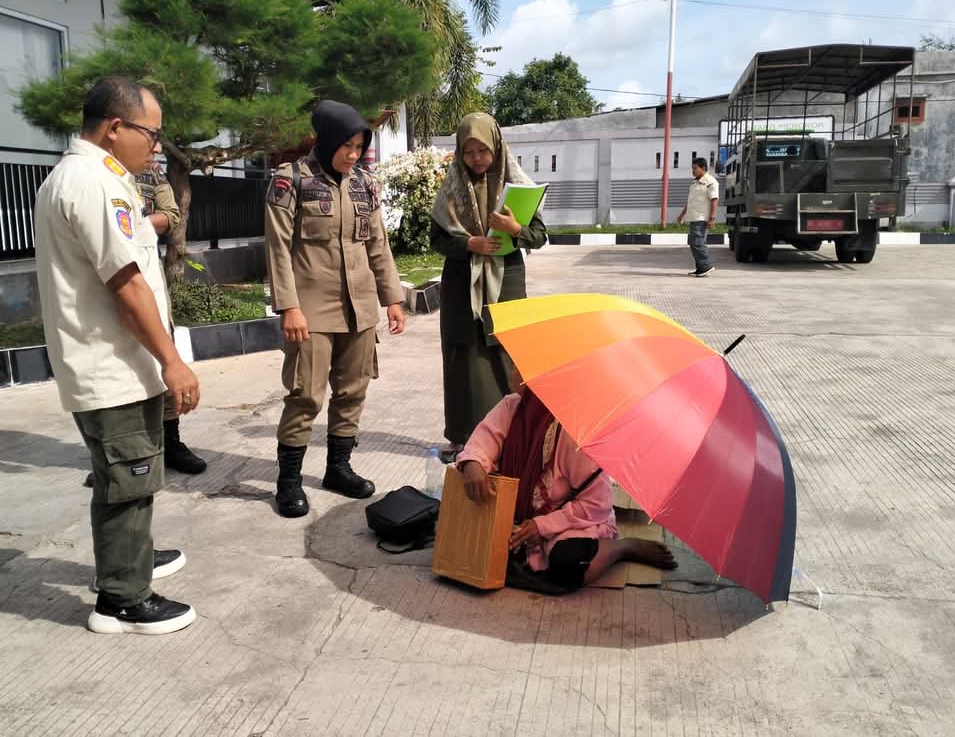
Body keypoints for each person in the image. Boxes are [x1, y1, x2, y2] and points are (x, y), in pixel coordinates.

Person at [34, 76, 198, 635]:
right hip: (109, 367)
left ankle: (128, 560)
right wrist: (172, 360)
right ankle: (122, 601)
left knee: (130, 475)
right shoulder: (90, 183)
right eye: (151, 134)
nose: (157, 146)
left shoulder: (100, 178)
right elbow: (126, 284)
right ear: (115, 128)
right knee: (128, 478)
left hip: (123, 364)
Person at [264, 100, 406, 518]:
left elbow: (378, 246)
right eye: (346, 146)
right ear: (326, 142)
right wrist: (289, 307)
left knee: (353, 391)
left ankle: (337, 469)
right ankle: (288, 482)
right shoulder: (290, 182)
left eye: (360, 146)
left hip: (359, 307)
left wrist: (392, 298)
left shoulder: (364, 184)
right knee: (306, 395)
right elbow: (278, 250)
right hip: (311, 310)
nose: (354, 154)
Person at [457, 370, 677, 592]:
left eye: (521, 367)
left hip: (570, 524)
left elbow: (595, 506)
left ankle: (623, 548)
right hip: (515, 520)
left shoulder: (575, 432)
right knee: (466, 544)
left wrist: (541, 526)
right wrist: (473, 464)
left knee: (567, 562)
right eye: (514, 364)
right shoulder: (511, 406)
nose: (513, 371)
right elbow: (481, 442)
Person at [430, 112, 547, 459]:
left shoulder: (518, 187)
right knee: (463, 356)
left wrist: (514, 230)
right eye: (469, 151)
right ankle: (463, 435)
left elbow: (539, 236)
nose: (477, 158)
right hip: (461, 283)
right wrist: (469, 244)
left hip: (507, 280)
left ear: (497, 147)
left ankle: (509, 436)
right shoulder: (450, 190)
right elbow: (436, 239)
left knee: (506, 356)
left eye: (483, 150)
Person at [136, 160, 207, 475]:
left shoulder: (150, 171)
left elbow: (172, 214)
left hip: (144, 268)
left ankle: (171, 442)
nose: (155, 147)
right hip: (100, 280)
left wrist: (131, 226)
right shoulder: (93, 172)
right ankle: (118, 452)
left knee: (162, 350)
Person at [677, 156, 719, 277]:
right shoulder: (695, 183)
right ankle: (701, 268)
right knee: (693, 243)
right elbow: (690, 202)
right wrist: (682, 215)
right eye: (692, 168)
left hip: (702, 218)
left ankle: (706, 266)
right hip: (694, 217)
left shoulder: (710, 182)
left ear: (703, 168)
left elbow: (714, 200)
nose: (693, 171)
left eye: (695, 168)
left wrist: (712, 218)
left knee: (698, 243)